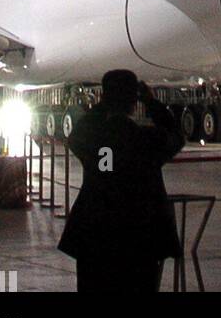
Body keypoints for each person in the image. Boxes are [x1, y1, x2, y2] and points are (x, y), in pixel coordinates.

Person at [58, 70, 184, 292]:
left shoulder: (93, 139)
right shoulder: (147, 140)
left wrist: (104, 105)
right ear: (134, 103)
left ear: (105, 99)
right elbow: (176, 134)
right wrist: (151, 102)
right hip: (139, 237)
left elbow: (75, 135)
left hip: (96, 234)